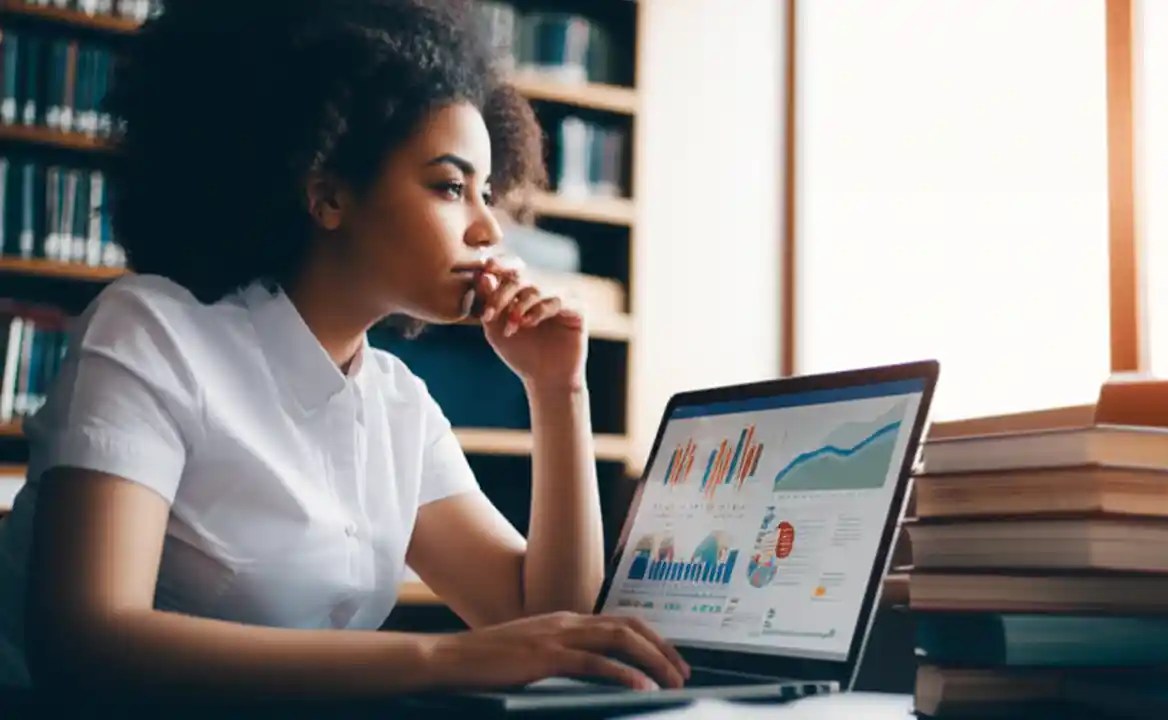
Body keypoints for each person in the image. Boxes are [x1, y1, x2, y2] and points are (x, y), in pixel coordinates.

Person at [0, 0, 690, 699]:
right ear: (327, 194)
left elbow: (550, 623)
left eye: (487, 192)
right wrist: (448, 659)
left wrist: (557, 390)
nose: (489, 230)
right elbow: (85, 643)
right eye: (452, 187)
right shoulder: (151, 333)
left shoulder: (396, 403)